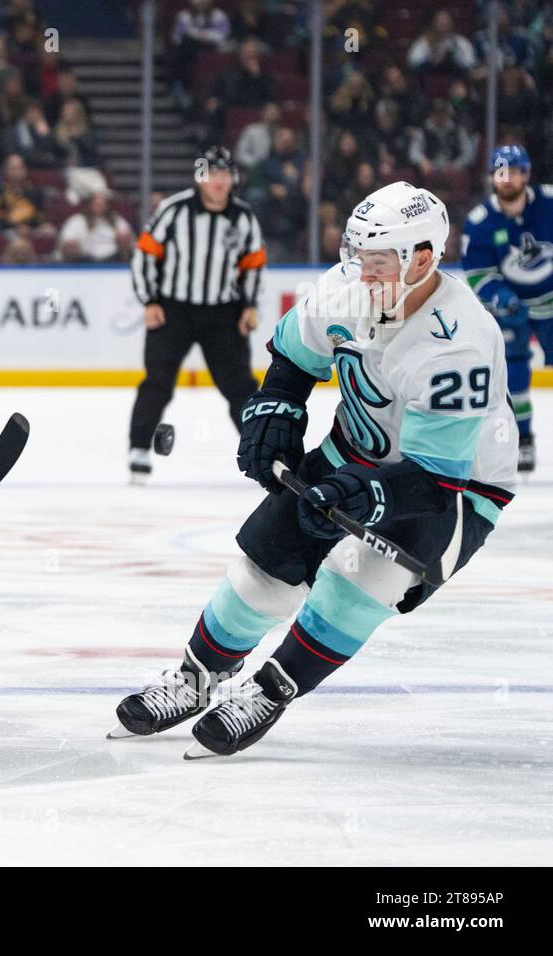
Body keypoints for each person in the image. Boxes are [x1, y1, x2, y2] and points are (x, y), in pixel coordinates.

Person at [112, 182, 517, 757]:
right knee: (267, 560)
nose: (361, 273)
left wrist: (365, 495)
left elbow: (431, 483)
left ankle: (272, 690)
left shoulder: (459, 345)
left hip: (455, 486)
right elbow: (295, 360)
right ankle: (196, 676)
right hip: (359, 447)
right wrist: (276, 410)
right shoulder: (348, 287)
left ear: (422, 259)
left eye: (377, 261)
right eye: (356, 256)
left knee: (361, 576)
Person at [128, 146, 265, 482]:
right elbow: (144, 255)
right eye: (211, 174)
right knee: (157, 382)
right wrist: (149, 301)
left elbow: (252, 265)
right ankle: (139, 449)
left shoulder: (243, 217)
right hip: (172, 310)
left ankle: (262, 453)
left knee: (239, 387)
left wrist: (249, 306)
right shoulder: (173, 210)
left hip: (223, 313)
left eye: (224, 174)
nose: (218, 181)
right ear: (200, 178)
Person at [462, 145, 553, 473]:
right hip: (512, 309)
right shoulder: (480, 223)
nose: (507, 178)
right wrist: (502, 298)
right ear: (491, 178)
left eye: (514, 171)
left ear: (526, 174)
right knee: (514, 374)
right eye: (501, 173)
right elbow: (478, 275)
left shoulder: (549, 203)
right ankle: (524, 439)